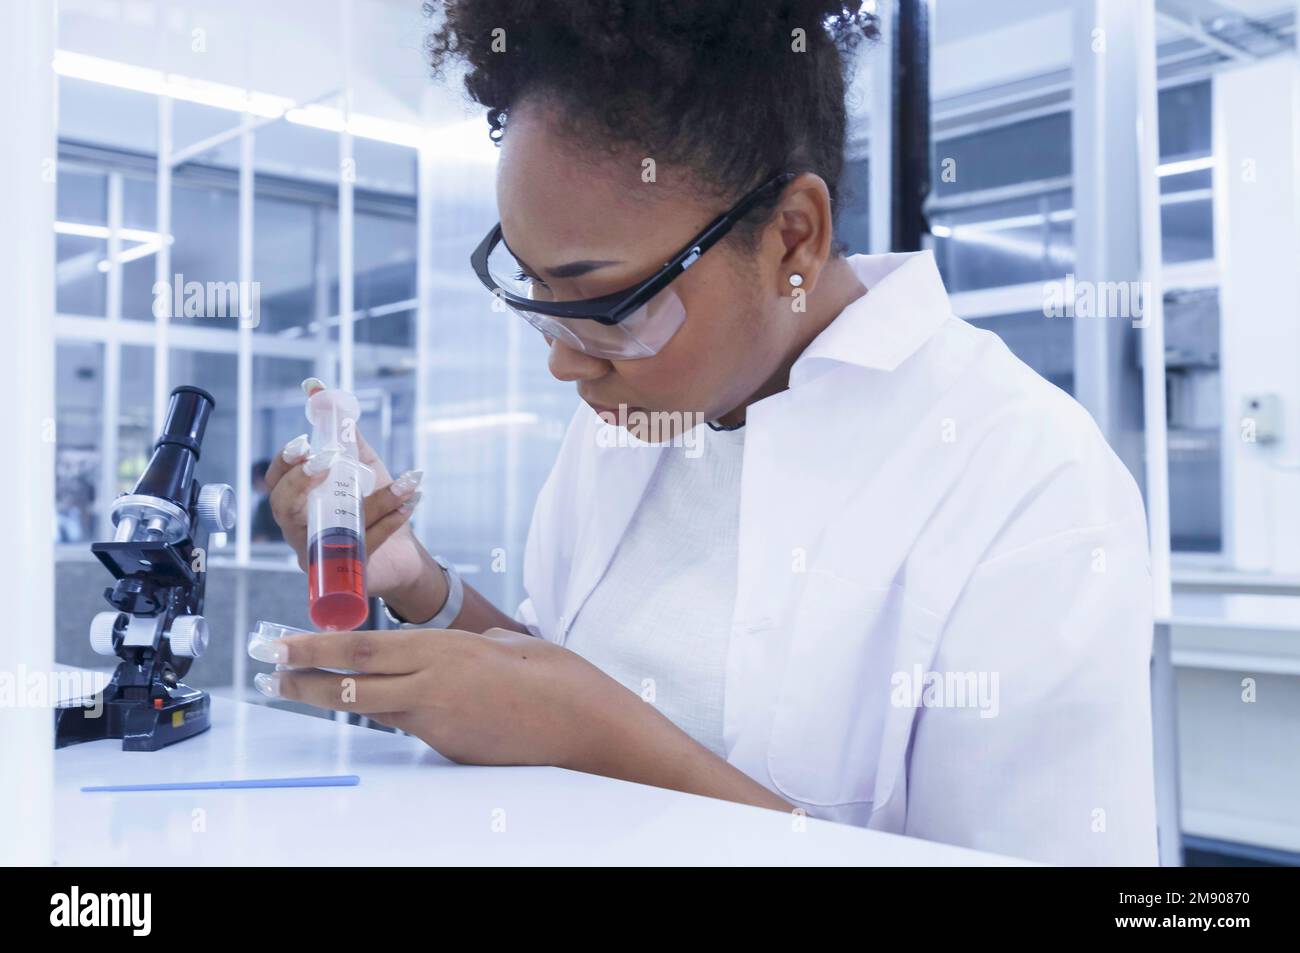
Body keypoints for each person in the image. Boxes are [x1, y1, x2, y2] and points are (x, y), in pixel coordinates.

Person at [257, 0, 1158, 865]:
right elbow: (552, 673)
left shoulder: (1026, 476)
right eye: (536, 300)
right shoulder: (633, 417)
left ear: (794, 240)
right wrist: (419, 584)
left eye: (609, 307)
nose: (565, 366)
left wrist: (601, 738)